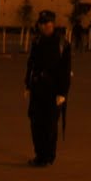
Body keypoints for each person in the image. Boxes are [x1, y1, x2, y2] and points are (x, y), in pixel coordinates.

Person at [24, 10, 72, 168]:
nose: (44, 26)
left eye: (47, 23)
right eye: (42, 23)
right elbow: (31, 64)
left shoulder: (62, 44)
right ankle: (40, 155)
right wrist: (27, 85)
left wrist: (62, 93)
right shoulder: (37, 41)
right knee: (35, 123)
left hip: (53, 90)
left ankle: (48, 156)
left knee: (49, 124)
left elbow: (65, 70)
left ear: (53, 24)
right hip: (37, 88)